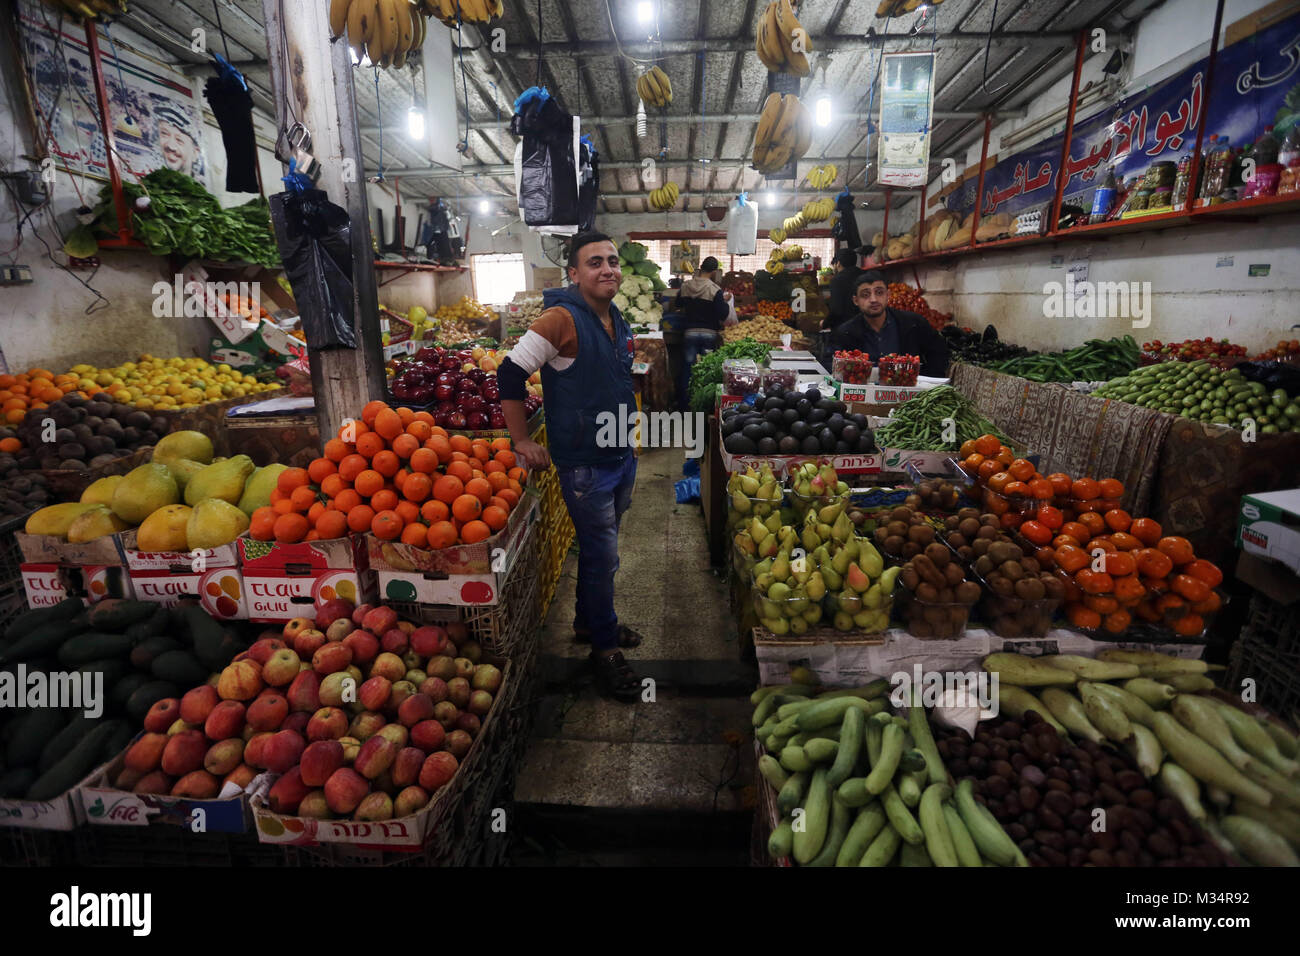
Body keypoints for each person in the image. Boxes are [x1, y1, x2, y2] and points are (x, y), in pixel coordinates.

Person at [496, 233, 644, 702]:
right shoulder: (560, 319)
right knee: (603, 558)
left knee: (602, 553)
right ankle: (603, 650)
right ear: (574, 274)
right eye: (595, 262)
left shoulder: (614, 318)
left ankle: (589, 623)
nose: (608, 270)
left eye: (614, 262)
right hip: (585, 465)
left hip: (618, 456)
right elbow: (510, 372)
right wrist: (521, 439)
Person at [826, 270, 950, 377]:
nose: (873, 299)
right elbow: (832, 365)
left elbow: (939, 351)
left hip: (908, 395)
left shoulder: (913, 323)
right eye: (865, 295)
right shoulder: (845, 333)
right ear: (856, 300)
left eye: (879, 293)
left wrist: (924, 381)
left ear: (888, 296)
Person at [673, 256, 734, 409]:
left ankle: (684, 405)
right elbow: (722, 314)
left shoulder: (686, 286)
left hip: (689, 333)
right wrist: (725, 302)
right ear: (714, 272)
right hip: (709, 334)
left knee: (688, 369)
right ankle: (703, 407)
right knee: (707, 370)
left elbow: (678, 303)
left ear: (701, 267)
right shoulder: (714, 289)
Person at [824, 249, 862, 329]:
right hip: (867, 326)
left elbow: (836, 310)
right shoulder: (866, 275)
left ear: (838, 263)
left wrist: (825, 323)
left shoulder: (837, 280)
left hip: (846, 329)